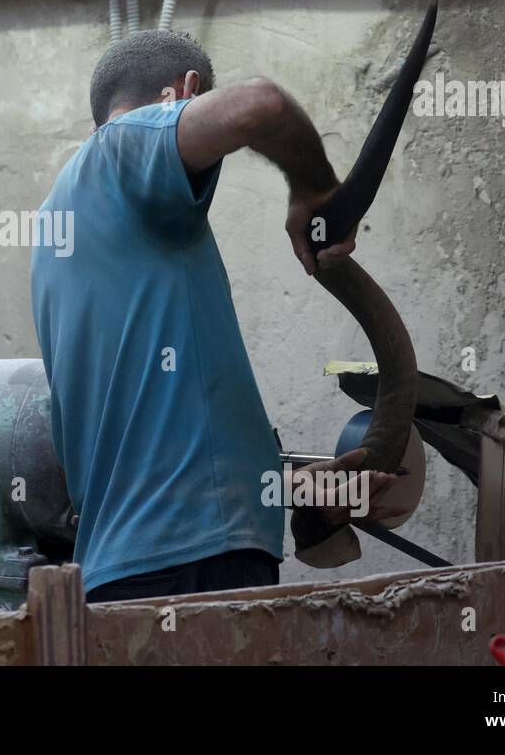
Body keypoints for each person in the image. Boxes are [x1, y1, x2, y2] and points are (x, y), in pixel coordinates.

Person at [30, 30, 396, 603]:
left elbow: (158, 441)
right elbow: (260, 106)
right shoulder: (121, 147)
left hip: (134, 571)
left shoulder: (71, 220)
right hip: (188, 568)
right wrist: (316, 189)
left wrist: (288, 488)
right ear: (186, 92)